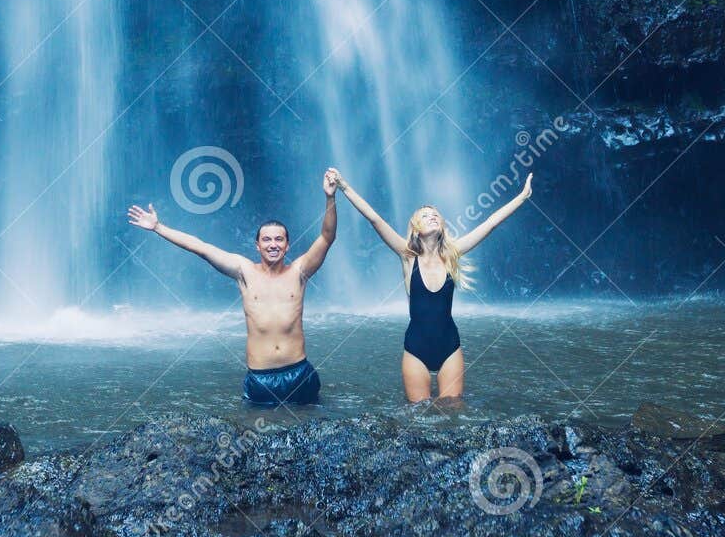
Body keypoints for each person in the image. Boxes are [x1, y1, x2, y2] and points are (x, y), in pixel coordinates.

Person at [126, 168, 339, 406]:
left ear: (287, 246)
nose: (273, 245)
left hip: (298, 373)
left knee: (310, 431)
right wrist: (158, 227)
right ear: (257, 246)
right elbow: (201, 247)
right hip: (261, 377)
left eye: (279, 239)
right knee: (258, 433)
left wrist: (330, 197)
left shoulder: (299, 272)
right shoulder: (243, 271)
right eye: (266, 240)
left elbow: (327, 237)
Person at [331, 169, 533, 403]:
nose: (432, 217)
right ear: (415, 228)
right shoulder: (407, 257)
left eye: (435, 215)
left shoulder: (452, 254)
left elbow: (490, 224)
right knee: (419, 417)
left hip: (450, 347)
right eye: (425, 216)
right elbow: (375, 219)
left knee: (453, 412)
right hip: (416, 350)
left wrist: (522, 196)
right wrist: (344, 186)